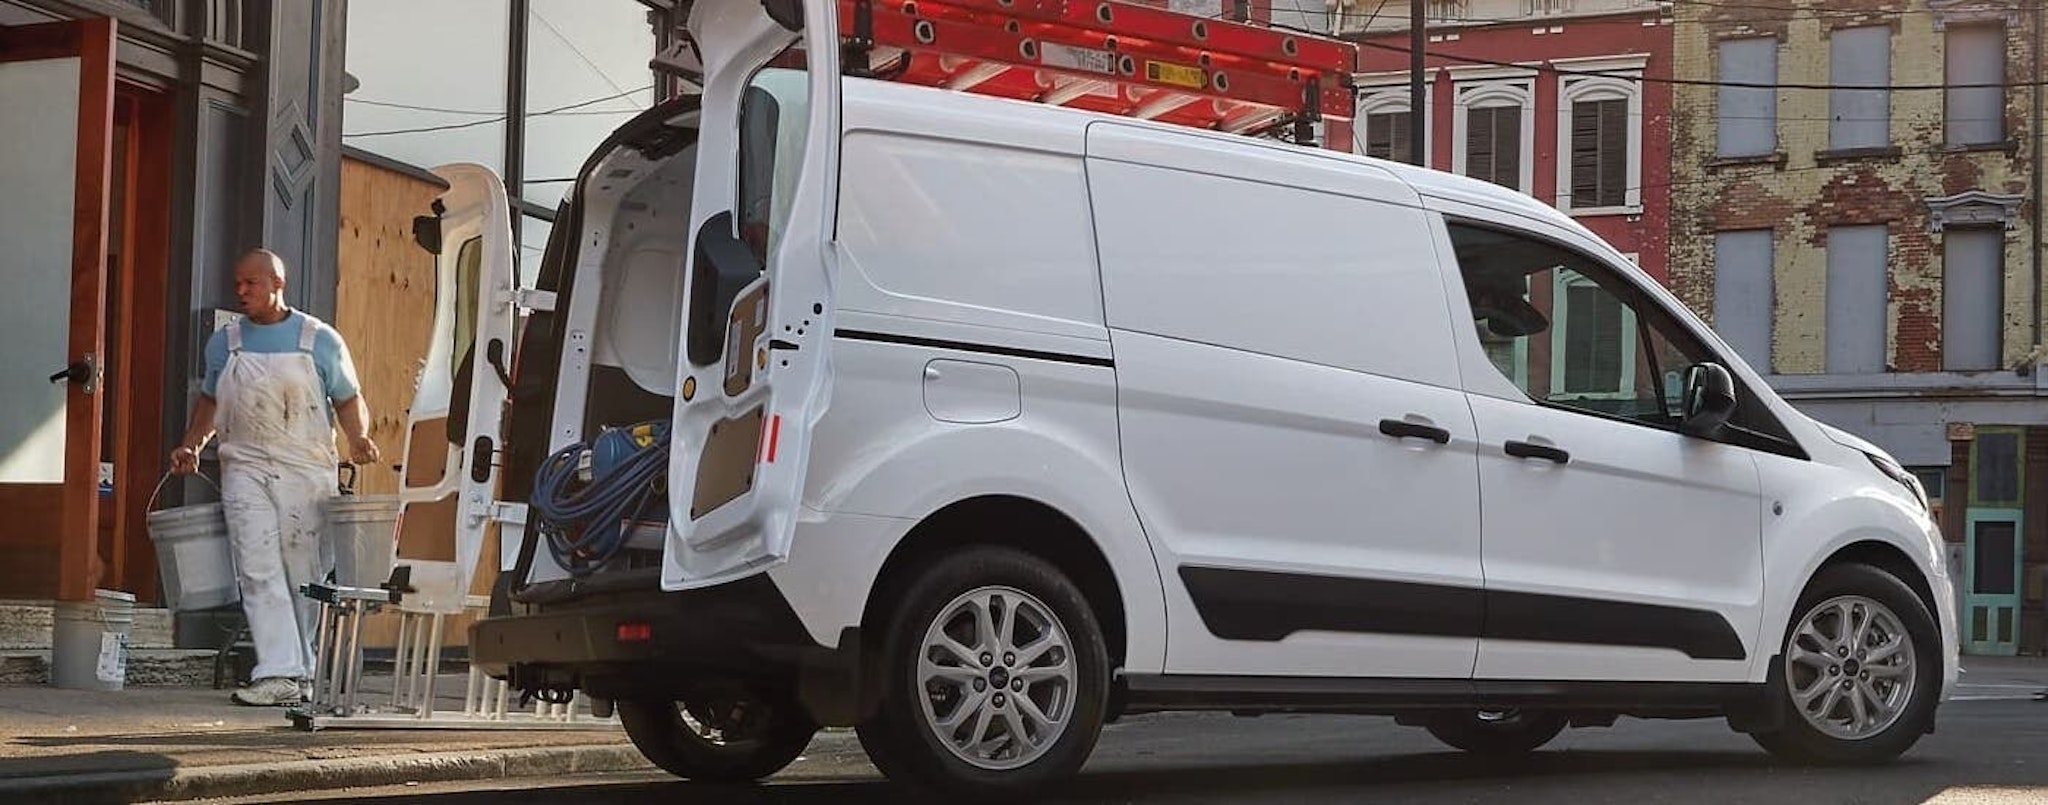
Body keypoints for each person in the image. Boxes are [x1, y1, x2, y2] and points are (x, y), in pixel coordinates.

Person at [170, 248, 381, 706]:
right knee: (257, 564)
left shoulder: (318, 340)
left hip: (305, 471)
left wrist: (358, 437)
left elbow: (348, 398)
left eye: (252, 283)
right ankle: (279, 672)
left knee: (301, 569)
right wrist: (192, 444)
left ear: (277, 284)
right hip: (244, 467)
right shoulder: (225, 343)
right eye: (238, 284)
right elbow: (209, 402)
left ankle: (303, 670)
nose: (242, 291)